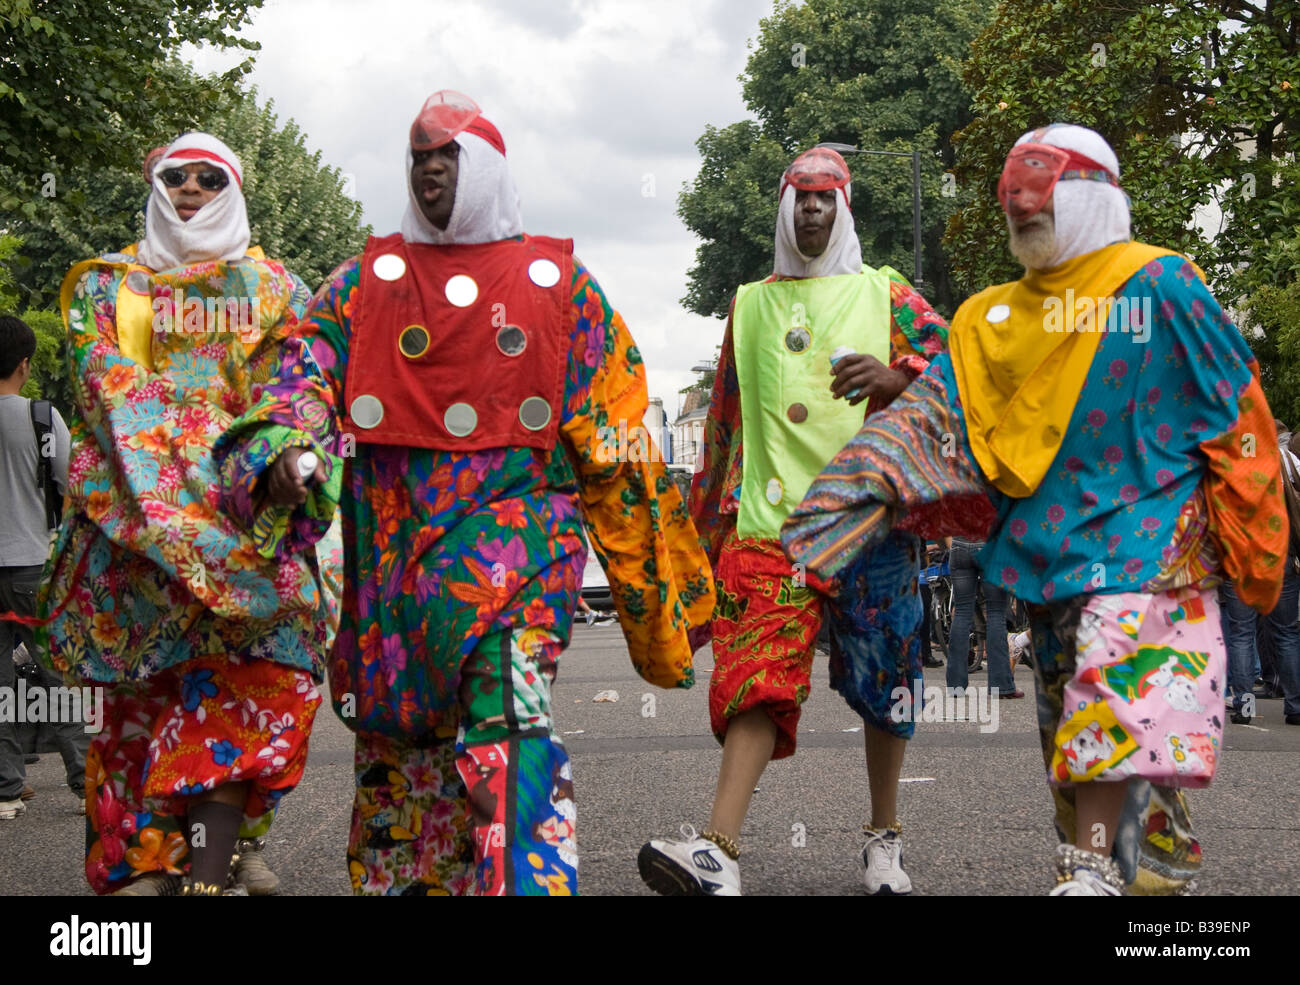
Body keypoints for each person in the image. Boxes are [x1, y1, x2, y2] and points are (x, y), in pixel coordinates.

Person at [213, 90, 714, 896]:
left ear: (486, 168)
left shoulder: (562, 291)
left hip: (515, 565)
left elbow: (618, 443)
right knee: (401, 752)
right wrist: (286, 451)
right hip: (393, 575)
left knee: (512, 733)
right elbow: (298, 375)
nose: (432, 169)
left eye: (449, 155)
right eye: (420, 157)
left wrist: (656, 594)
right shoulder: (361, 288)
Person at [782, 124, 1286, 896]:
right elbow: (931, 417)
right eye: (1014, 209)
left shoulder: (1161, 285)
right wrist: (849, 493)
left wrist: (1256, 554)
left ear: (1092, 199)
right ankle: (1133, 865)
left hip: (1151, 555)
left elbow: (1237, 416)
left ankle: (1088, 869)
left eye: (1038, 205)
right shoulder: (991, 318)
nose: (1021, 215)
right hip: (1046, 563)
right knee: (1081, 754)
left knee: (1110, 717)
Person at [638, 146, 947, 896]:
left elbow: (954, 370)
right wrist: (705, 529)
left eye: (824, 198)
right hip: (771, 524)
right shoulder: (749, 303)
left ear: (842, 209)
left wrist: (895, 374)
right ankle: (718, 850)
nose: (810, 209)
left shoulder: (890, 295)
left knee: (888, 683)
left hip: (870, 522)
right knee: (752, 678)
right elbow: (726, 422)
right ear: (784, 208)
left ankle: (883, 841)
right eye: (799, 197)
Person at [39, 132, 334, 895]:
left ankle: (227, 850)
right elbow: (110, 396)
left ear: (233, 188)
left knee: (262, 680)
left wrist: (276, 465)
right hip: (136, 534)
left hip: (247, 531)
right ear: (155, 182)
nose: (193, 188)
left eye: (210, 177)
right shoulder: (109, 289)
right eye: (178, 176)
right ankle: (148, 861)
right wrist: (199, 486)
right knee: (143, 699)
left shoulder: (279, 293)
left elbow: (293, 398)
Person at [0, 315, 76, 821]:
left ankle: (6, 788)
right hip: (34, 565)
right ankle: (87, 782)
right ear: (24, 364)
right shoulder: (42, 418)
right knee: (59, 677)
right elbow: (73, 489)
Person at [1219, 419, 1300, 725]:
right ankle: (1295, 706)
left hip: (1240, 557)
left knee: (1241, 632)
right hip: (1280, 554)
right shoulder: (1286, 460)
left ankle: (1245, 706)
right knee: (1286, 631)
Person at [945, 537, 1022, 697]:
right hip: (992, 544)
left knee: (961, 612)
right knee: (996, 613)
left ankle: (955, 686)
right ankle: (1001, 686)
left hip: (959, 545)